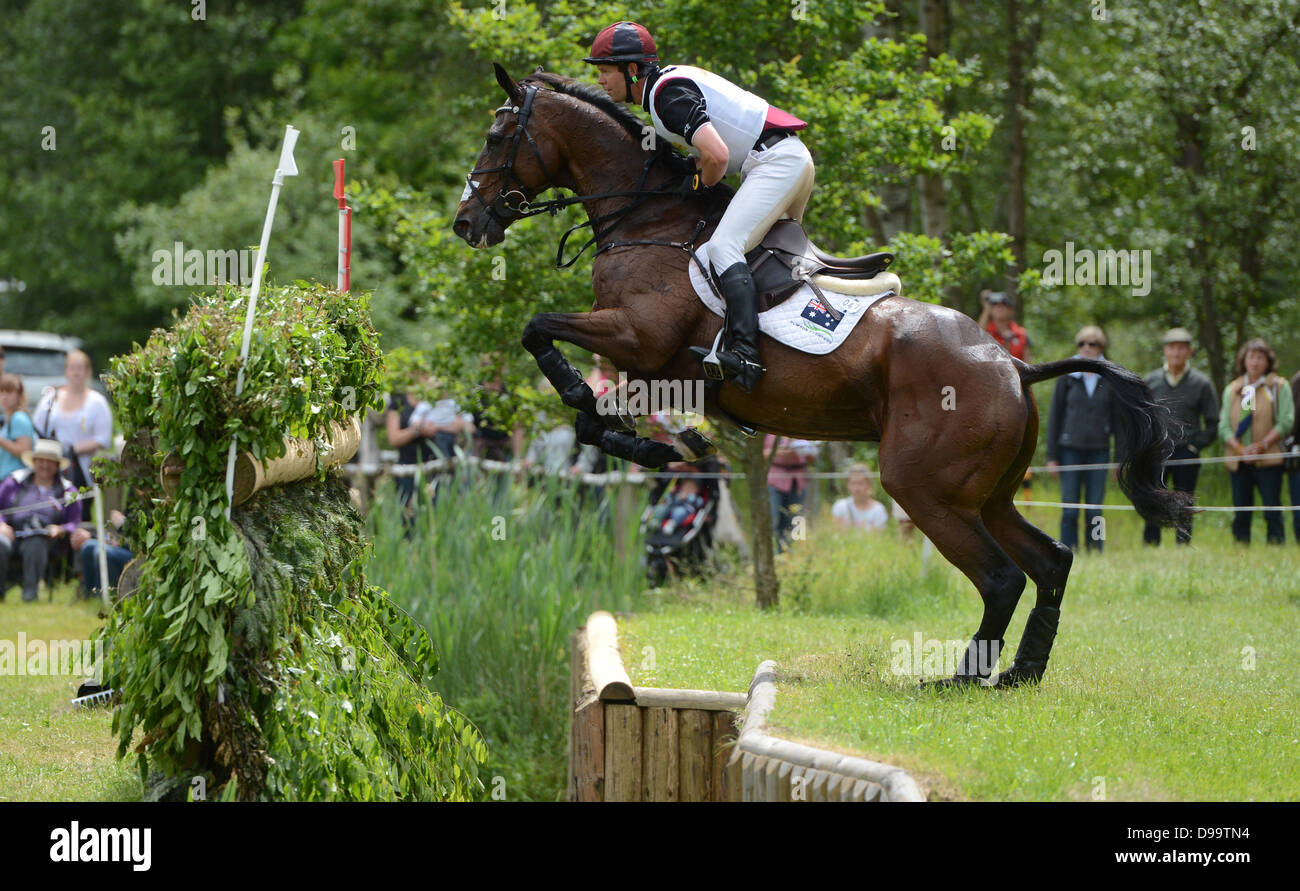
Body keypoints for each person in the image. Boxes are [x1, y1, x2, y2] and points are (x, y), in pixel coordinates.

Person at [585, 21, 813, 393]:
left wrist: (696, 184)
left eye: (604, 71)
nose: (600, 81)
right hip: (787, 158)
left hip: (775, 163)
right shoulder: (666, 87)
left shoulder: (664, 97)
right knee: (766, 260)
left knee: (723, 247)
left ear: (631, 70)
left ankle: (745, 354)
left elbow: (717, 158)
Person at [1141, 328, 1219, 545]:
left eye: (1181, 348)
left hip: (1187, 451)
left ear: (1190, 352)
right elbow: (1142, 418)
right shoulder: (1150, 381)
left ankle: (1183, 545)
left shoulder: (1201, 383)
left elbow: (1213, 422)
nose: (1176, 353)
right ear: (1165, 351)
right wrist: (1146, 447)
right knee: (1153, 498)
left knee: (1184, 501)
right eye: (1172, 348)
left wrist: (1196, 446)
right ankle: (1151, 545)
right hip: (1157, 452)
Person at [1046, 326, 1120, 553]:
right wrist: (1052, 456)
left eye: (1092, 344)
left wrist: (1120, 458)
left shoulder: (1111, 377)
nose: (1087, 348)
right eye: (1082, 344)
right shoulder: (1067, 377)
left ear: (1101, 347)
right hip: (1069, 450)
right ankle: (1067, 550)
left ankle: (1096, 549)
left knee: (1095, 507)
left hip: (1099, 450)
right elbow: (1054, 417)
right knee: (1070, 508)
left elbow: (1119, 422)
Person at [1220, 338, 1292, 545]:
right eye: (1251, 357)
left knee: (1272, 508)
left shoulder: (1279, 386)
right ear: (1244, 360)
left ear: (1268, 361)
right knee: (1241, 510)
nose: (1255, 362)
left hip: (1269, 458)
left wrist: (1261, 446)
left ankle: (1276, 546)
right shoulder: (1233, 389)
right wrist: (1241, 449)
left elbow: (1286, 421)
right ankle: (1241, 548)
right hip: (1239, 459)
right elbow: (1224, 426)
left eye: (1260, 357)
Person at [0, 439, 82, 602]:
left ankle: (30, 594)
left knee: (35, 542)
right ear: (34, 461)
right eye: (41, 460)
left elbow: (75, 522)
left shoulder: (68, 491)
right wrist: (1, 524)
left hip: (45, 537)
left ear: (57, 465)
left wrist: (60, 529)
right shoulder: (13, 482)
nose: (44, 465)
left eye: (49, 461)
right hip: (12, 532)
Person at [33, 349, 112, 491]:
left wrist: (72, 450)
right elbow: (36, 428)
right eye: (72, 368)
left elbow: (104, 439)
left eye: (80, 368)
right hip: (50, 466)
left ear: (88, 371)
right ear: (66, 371)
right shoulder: (51, 398)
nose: (76, 372)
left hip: (81, 470)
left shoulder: (97, 402)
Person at [765, 434, 819, 553]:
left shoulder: (801, 431)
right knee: (774, 518)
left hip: (798, 481)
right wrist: (780, 453)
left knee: (797, 520)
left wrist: (804, 452)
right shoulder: (769, 432)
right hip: (775, 481)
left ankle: (797, 554)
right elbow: (761, 454)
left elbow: (813, 458)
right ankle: (774, 554)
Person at [71, 509, 132, 599]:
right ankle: (90, 596)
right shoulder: (132, 498)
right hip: (116, 542)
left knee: (102, 552)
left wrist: (122, 524)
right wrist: (90, 535)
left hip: (133, 551)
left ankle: (111, 594)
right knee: (87, 545)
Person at [830, 463, 888, 531]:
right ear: (847, 485)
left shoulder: (878, 510)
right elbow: (835, 532)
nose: (856, 488)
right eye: (853, 483)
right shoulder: (840, 506)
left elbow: (879, 537)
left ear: (869, 484)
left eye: (860, 483)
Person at [977, 290, 1032, 361]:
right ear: (990, 310)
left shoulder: (1021, 334)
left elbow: (1028, 363)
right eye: (995, 305)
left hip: (1016, 371)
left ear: (1011, 310)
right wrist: (986, 308)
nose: (999, 307)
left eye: (1003, 304)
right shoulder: (986, 332)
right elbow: (977, 335)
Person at [0, 375, 36, 479]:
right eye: (1, 391)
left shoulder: (19, 418)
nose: (4, 396)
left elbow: (25, 452)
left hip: (15, 481)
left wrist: (1, 441)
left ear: (19, 395)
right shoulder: (9, 419)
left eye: (9, 392)